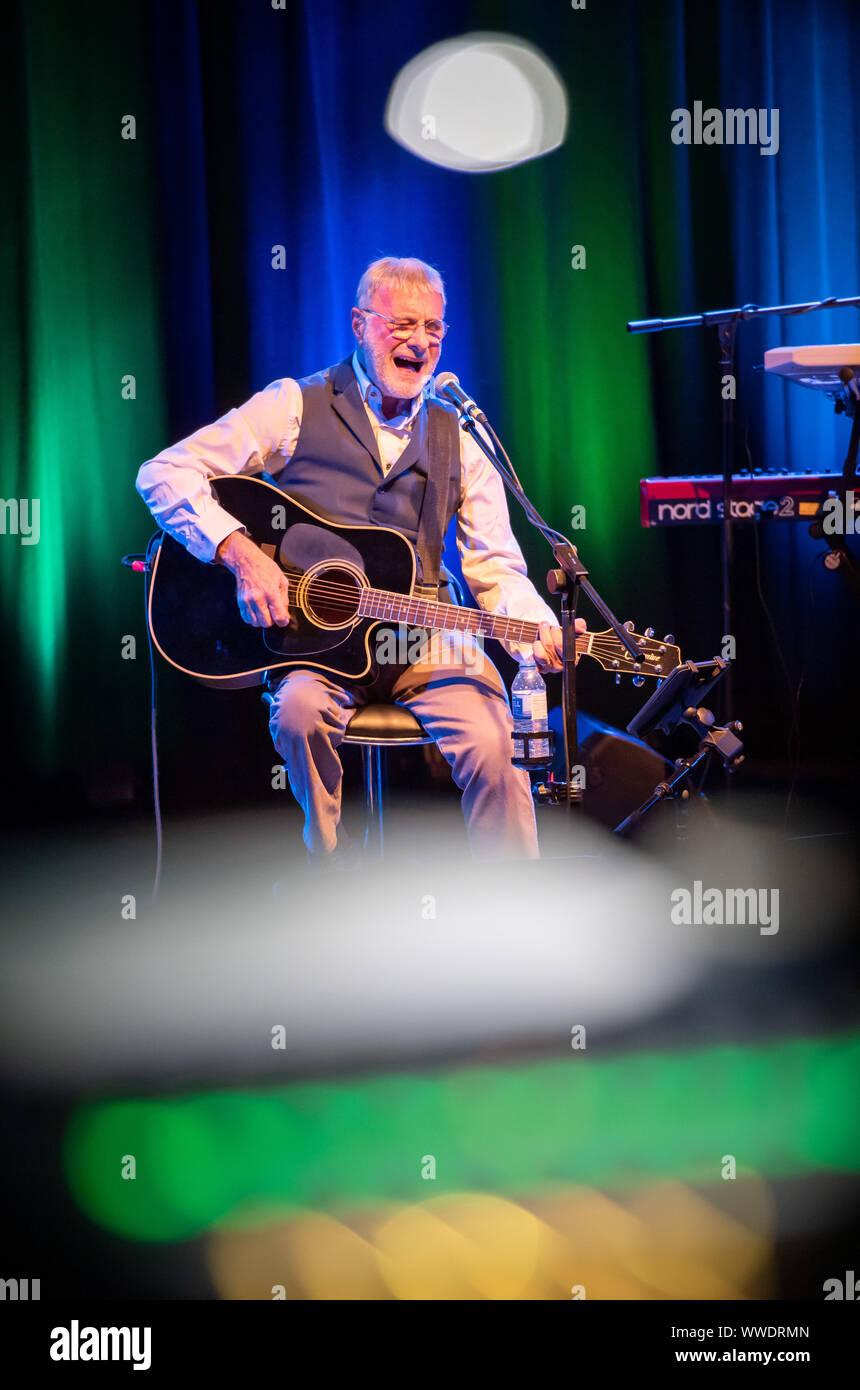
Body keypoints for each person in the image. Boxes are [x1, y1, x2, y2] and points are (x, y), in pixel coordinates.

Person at [137, 256, 584, 862]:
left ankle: (508, 912)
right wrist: (238, 551)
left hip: (423, 638)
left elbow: (497, 566)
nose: (420, 342)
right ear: (359, 324)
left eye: (433, 328)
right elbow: (164, 472)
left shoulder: (462, 438)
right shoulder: (294, 405)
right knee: (298, 714)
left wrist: (539, 634)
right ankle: (331, 878)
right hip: (315, 646)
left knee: (491, 737)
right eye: (402, 325)